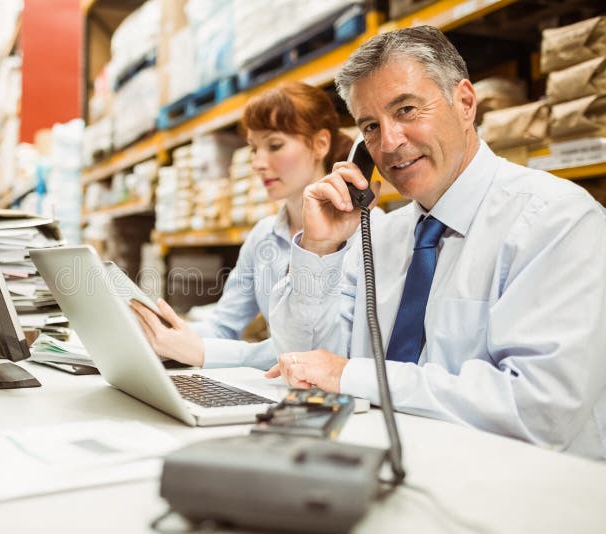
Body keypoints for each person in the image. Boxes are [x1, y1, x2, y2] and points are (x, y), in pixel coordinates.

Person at [266, 26, 606, 460]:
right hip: (393, 470)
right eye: (370, 126)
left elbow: (539, 409)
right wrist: (319, 249)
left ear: (465, 103)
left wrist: (353, 376)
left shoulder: (558, 220)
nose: (389, 143)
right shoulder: (381, 235)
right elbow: (302, 360)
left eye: (406, 110)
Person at [131, 82, 363, 370]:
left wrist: (205, 352)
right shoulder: (264, 236)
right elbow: (224, 324)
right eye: (254, 149)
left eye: (274, 145)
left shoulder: (363, 235)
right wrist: (161, 337)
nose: (257, 163)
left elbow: (325, 351)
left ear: (320, 144)